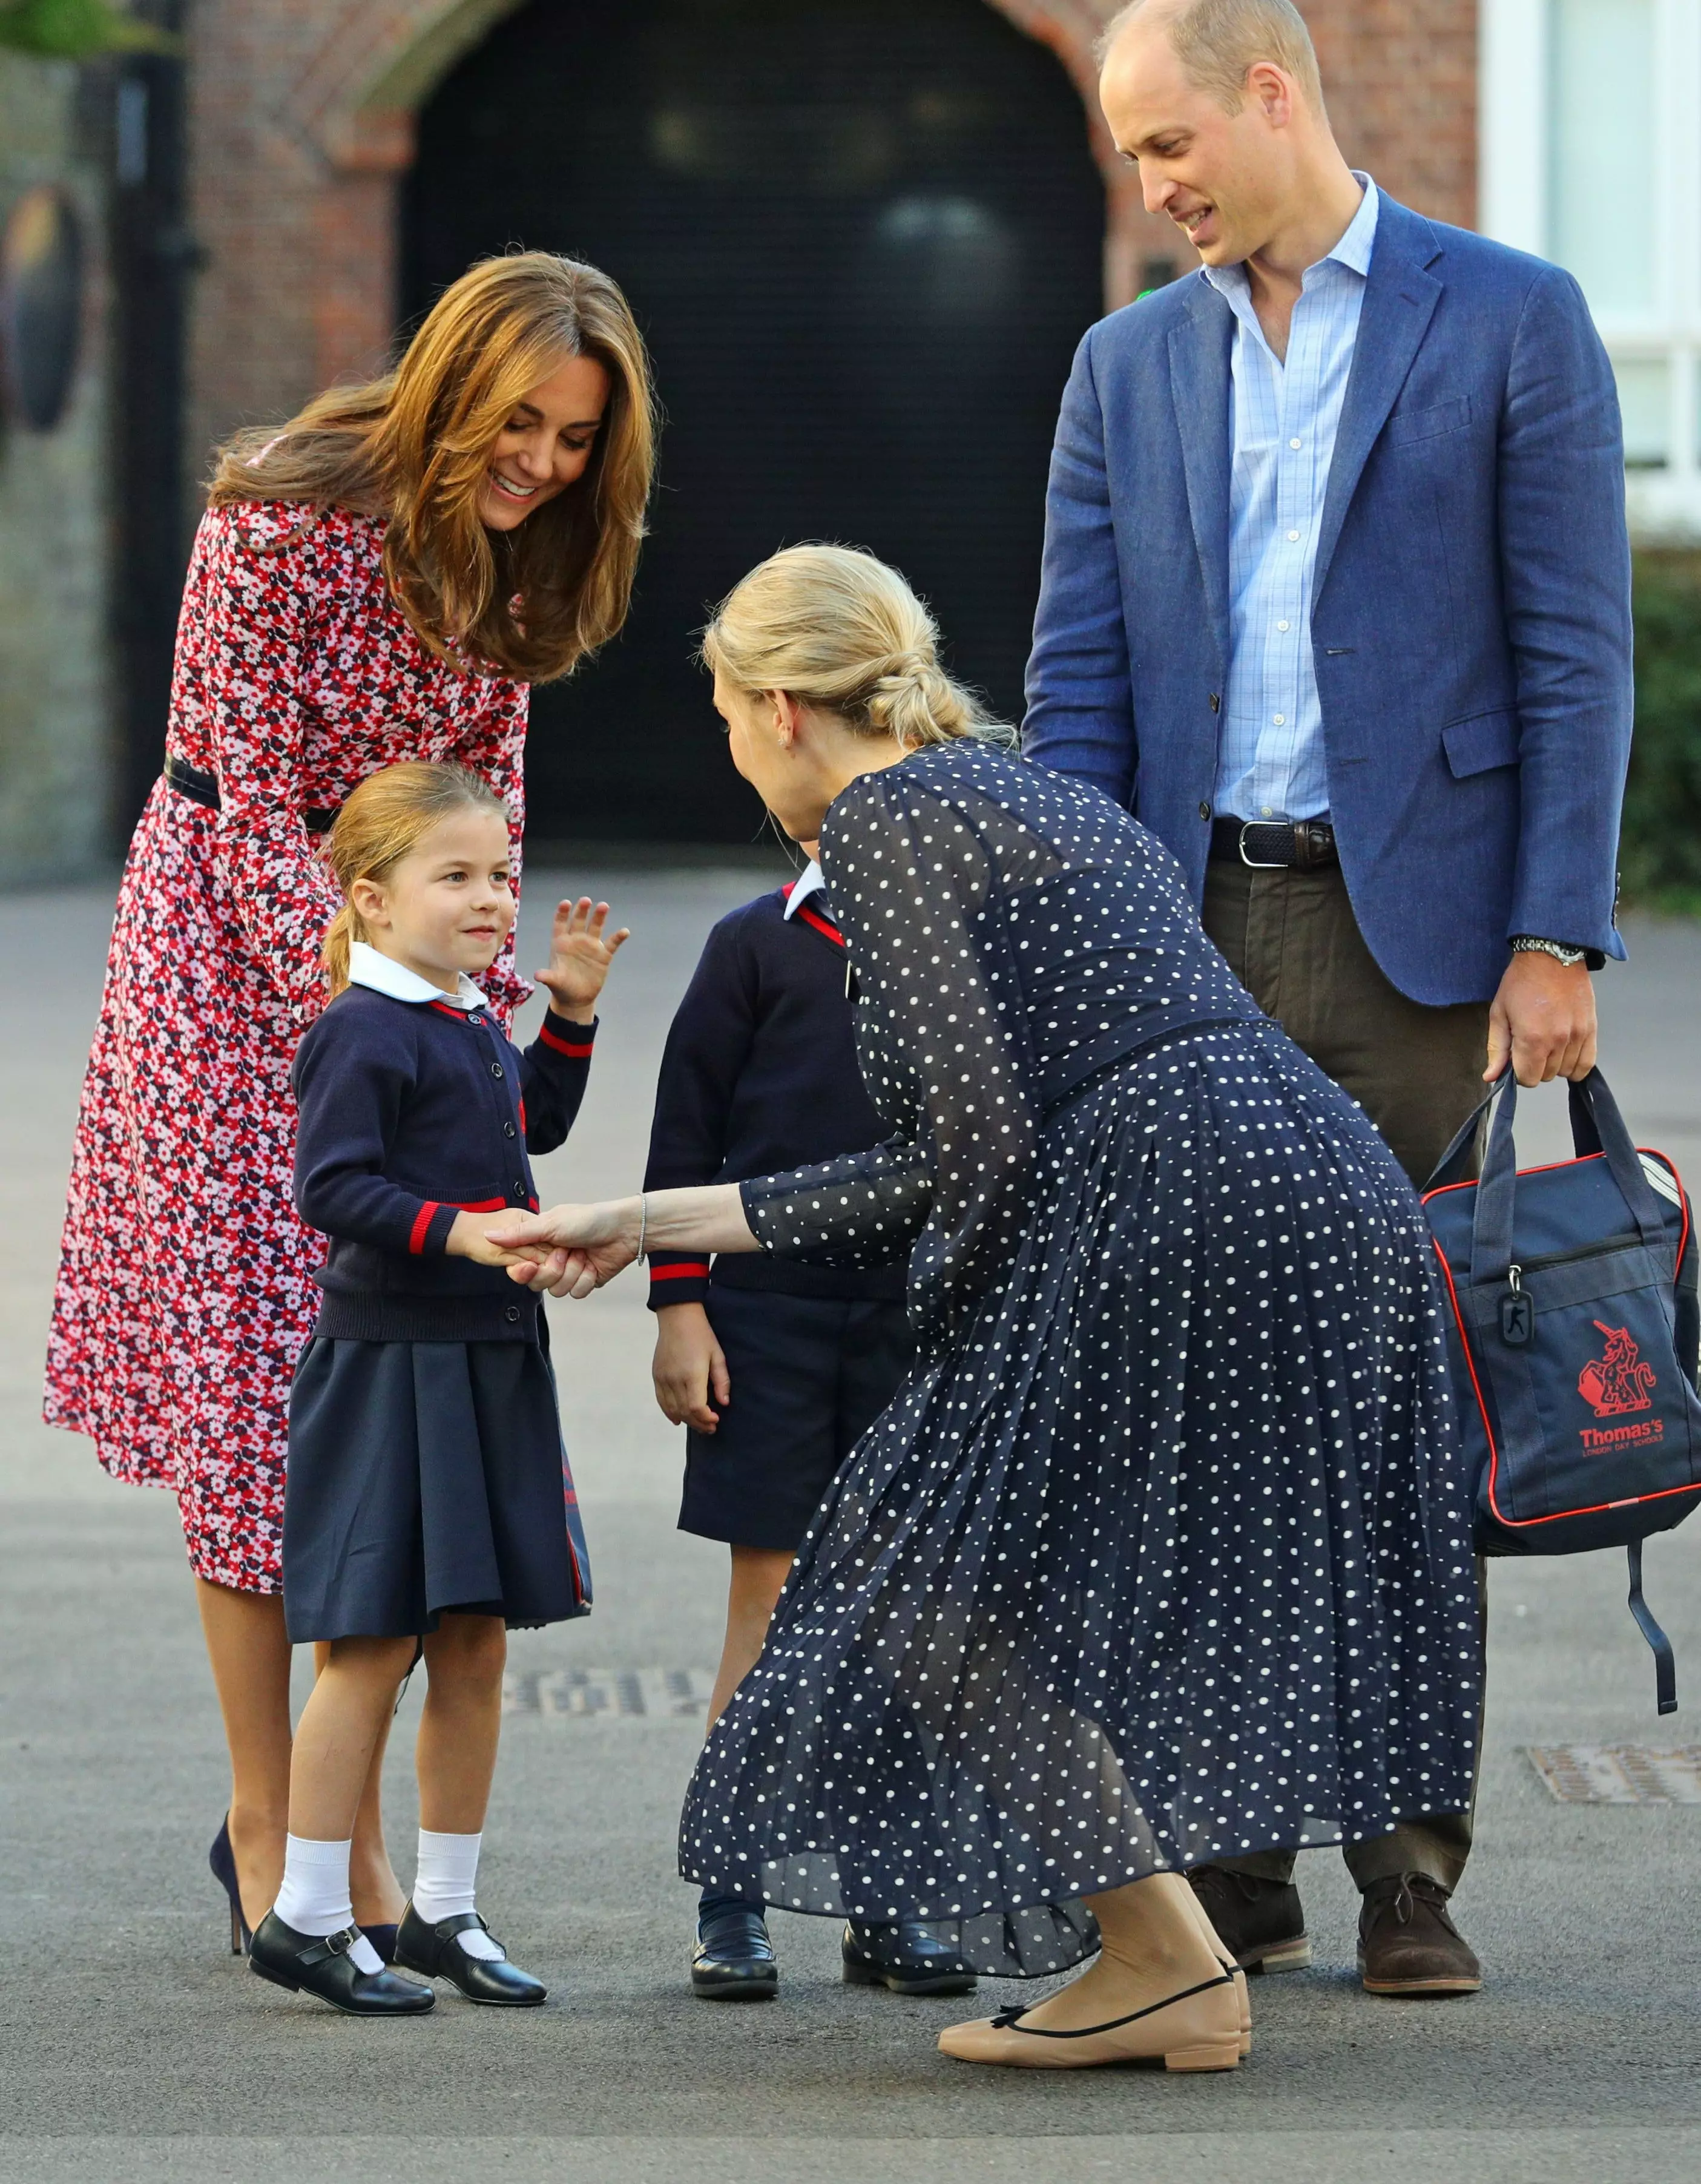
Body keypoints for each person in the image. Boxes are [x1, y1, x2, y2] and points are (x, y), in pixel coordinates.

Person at [487, 544, 1481, 2074]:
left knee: (920, 1577)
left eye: (724, 718)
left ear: (779, 707)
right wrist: (642, 1222)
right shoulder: (1031, 789)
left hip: (1167, 1204)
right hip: (1311, 1185)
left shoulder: (883, 824)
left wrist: (672, 1229)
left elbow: (966, 1154)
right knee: (1092, 1574)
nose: (732, 752)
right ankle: (1176, 1951)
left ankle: (1161, 1958)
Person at [1021, 0, 1633, 1993]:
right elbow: (1079, 688)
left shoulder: (1507, 315)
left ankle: (1411, 1868)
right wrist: (1072, 955)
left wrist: (1556, 934)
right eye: (1131, 160)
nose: (1155, 186)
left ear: (1274, 93)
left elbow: (1572, 646)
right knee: (1195, 1406)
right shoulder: (1125, 365)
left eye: (1172, 142)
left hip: (1420, 954)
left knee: (1398, 1406)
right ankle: (1232, 1860)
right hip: (1187, 934)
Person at [44, 251, 655, 1955]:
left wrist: (472, 1011)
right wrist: (364, 1022)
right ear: (450, 382)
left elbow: (490, 800)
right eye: (518, 423)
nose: (540, 462)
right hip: (232, 972)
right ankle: (277, 1837)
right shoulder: (278, 513)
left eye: (576, 440)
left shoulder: (529, 555)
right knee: (260, 1407)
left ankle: (348, 1838)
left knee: (383, 1397)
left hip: (402, 972)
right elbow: (246, 802)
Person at [247, 760, 627, 2016]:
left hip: (489, 1359)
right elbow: (332, 1188)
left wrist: (566, 1016)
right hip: (391, 1367)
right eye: (455, 874)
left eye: (499, 872)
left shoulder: (465, 1016)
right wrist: (461, 1234)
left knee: (473, 1641)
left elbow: (531, 1127)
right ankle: (304, 1915)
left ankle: (443, 1912)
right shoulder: (359, 1026)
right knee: (370, 1644)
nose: (489, 897)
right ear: (370, 895)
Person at [643, 848, 972, 2001]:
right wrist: (679, 1306)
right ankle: (731, 1898)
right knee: (770, 1608)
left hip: (917, 1322)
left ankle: (887, 1903)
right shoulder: (753, 942)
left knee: (900, 1619)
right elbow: (685, 1131)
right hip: (763, 1316)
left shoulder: (964, 944)